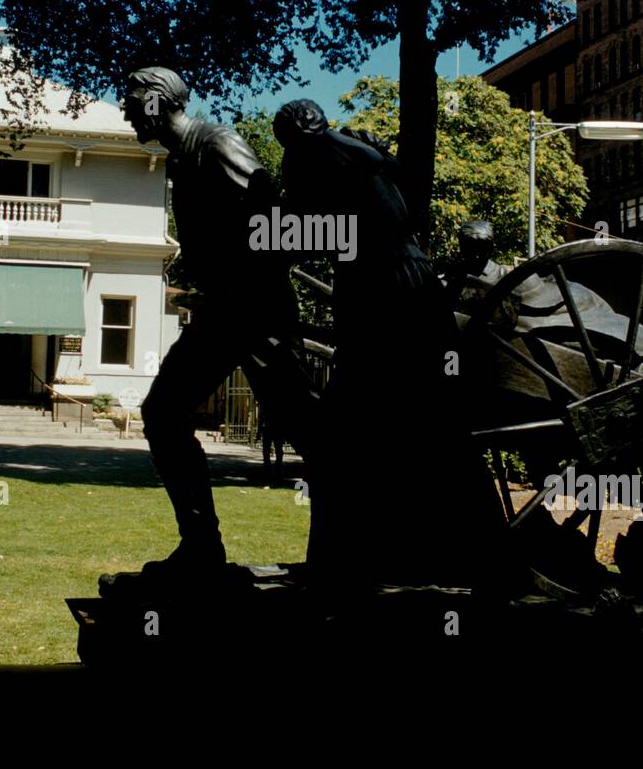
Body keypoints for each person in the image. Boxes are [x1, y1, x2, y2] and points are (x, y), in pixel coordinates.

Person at [274, 99, 505, 591]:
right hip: (390, 287)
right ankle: (398, 555)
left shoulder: (326, 156)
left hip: (390, 293)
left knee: (361, 426)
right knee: (415, 423)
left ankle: (359, 561)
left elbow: (306, 228)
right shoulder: (355, 160)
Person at [115, 66, 317, 592]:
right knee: (164, 413)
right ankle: (202, 547)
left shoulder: (217, 144)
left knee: (308, 431)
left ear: (158, 100)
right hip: (227, 312)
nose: (125, 107)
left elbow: (275, 223)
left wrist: (240, 284)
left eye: (131, 97)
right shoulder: (183, 157)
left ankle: (346, 547)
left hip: (253, 311)